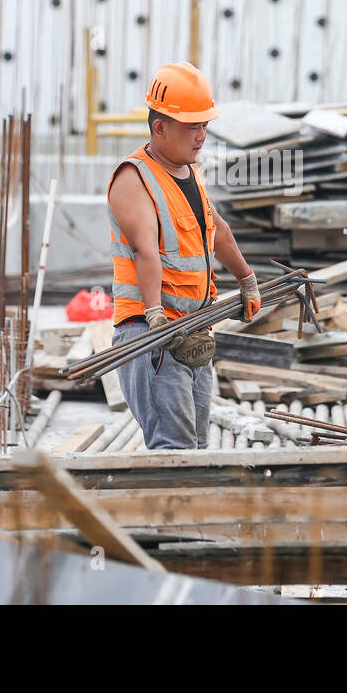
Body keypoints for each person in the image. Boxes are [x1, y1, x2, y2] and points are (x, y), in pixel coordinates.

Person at [107, 62, 261, 450]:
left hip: (193, 329)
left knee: (195, 446)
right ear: (159, 127)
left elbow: (218, 232)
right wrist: (156, 314)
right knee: (173, 450)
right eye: (191, 125)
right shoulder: (134, 178)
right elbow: (145, 249)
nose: (201, 135)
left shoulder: (192, 173)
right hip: (150, 332)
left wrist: (247, 280)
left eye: (204, 124)